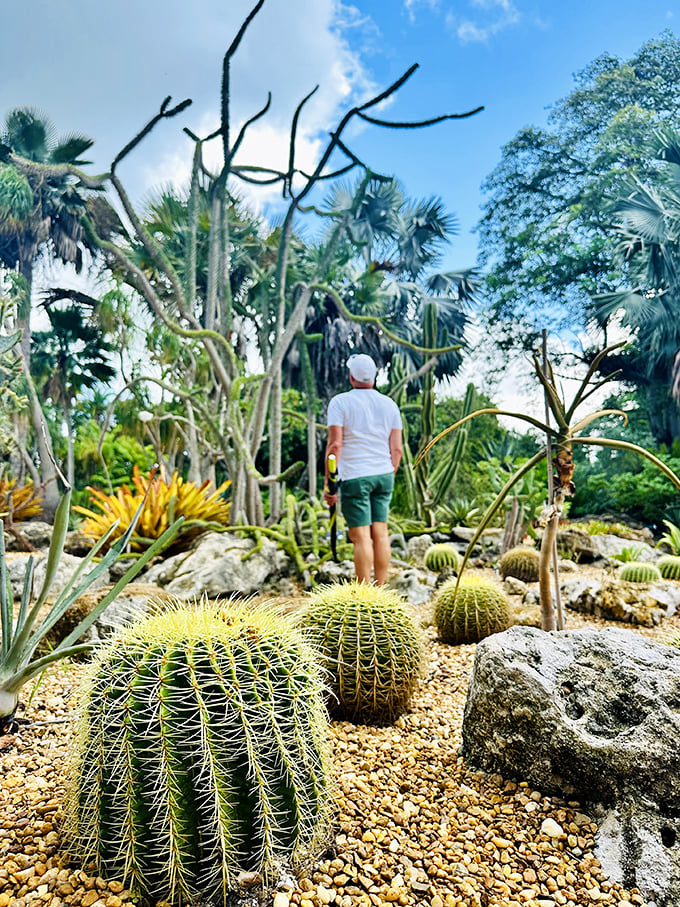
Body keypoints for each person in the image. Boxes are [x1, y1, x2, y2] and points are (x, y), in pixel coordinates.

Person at [324, 353, 403, 584]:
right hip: (384, 474)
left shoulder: (340, 402)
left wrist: (330, 484)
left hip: (355, 477)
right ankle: (380, 590)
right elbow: (396, 449)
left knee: (360, 537)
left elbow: (335, 445)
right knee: (381, 533)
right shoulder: (390, 405)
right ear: (374, 377)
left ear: (351, 377)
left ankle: (364, 593)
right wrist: (389, 472)